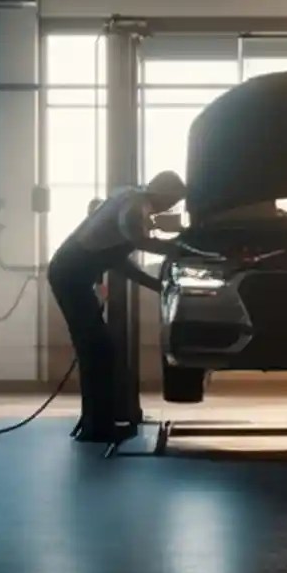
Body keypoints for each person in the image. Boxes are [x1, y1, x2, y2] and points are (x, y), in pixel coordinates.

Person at [49, 170, 187, 443]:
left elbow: (118, 260)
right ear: (164, 194)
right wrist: (177, 248)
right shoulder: (136, 205)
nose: (170, 209)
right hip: (70, 277)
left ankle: (95, 421)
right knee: (97, 350)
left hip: (71, 276)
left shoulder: (129, 199)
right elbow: (135, 238)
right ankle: (96, 427)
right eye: (172, 202)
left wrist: (156, 285)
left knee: (98, 350)